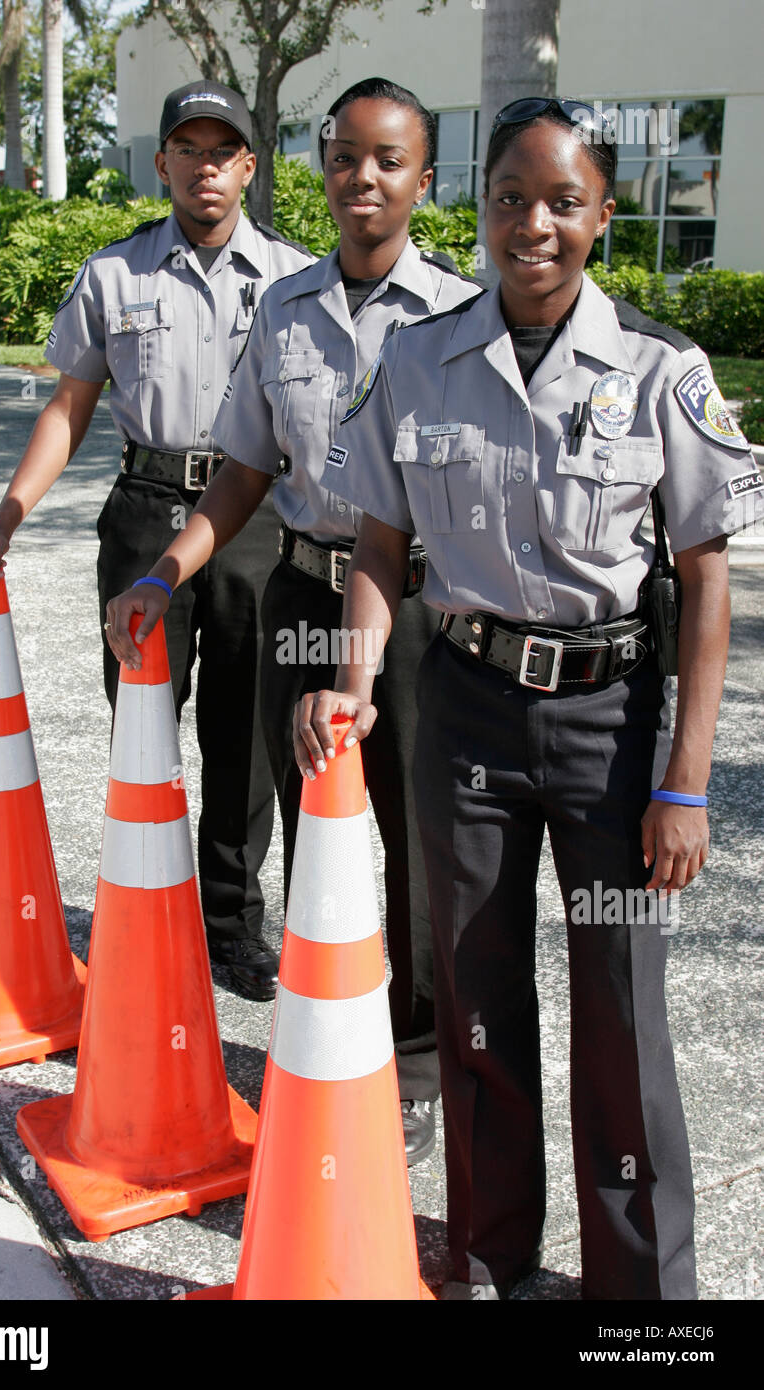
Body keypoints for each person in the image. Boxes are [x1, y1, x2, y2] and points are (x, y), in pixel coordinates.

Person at [292, 97, 763, 1298]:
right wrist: (352, 684)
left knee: (622, 1020)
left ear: (603, 216)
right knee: (478, 1005)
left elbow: (707, 576)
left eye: (564, 202)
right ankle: (489, 1260)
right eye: (512, 198)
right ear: (482, 207)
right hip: (466, 713)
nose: (534, 225)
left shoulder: (661, 369)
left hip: (611, 725)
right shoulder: (418, 359)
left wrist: (685, 782)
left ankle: (641, 1300)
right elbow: (381, 545)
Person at [103, 77, 479, 1164]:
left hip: (416, 612)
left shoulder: (460, 318)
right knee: (316, 827)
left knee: (415, 842)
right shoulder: (284, 308)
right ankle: (320, 1038)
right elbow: (243, 471)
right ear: (321, 169)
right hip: (302, 595)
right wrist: (164, 573)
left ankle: (414, 1063)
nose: (364, 178)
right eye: (346, 156)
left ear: (421, 180)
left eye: (389, 161)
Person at [0, 81, 313, 1002]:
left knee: (245, 728)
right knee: (141, 714)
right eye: (187, 149)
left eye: (222, 150)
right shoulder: (113, 275)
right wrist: (5, 518)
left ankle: (229, 921)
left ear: (249, 166)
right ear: (162, 164)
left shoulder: (294, 280)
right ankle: (143, 904)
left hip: (253, 518)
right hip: (146, 506)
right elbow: (68, 406)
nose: (205, 166)